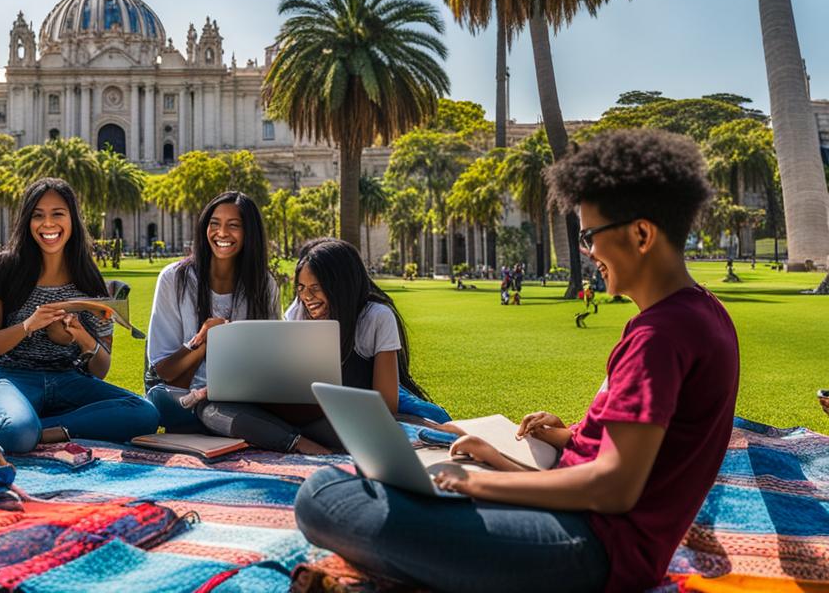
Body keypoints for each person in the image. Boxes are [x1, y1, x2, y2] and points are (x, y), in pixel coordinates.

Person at [295, 128, 738, 593]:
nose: (587, 251)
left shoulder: (660, 336)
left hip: (588, 551)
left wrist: (473, 485)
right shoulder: (699, 313)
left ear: (642, 233)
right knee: (377, 479)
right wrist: (535, 446)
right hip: (582, 529)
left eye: (590, 235)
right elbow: (626, 456)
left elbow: (612, 488)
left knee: (323, 493)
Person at [197, 238, 449, 454]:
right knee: (210, 408)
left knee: (420, 424)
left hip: (348, 420)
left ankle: (282, 437)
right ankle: (294, 440)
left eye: (316, 288)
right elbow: (282, 382)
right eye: (301, 288)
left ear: (340, 285)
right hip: (297, 417)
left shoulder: (375, 317)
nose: (306, 297)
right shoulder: (298, 312)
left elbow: (385, 407)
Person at [0, 177, 159, 452]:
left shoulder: (88, 277)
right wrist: (29, 324)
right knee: (16, 431)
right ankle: (18, 425)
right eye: (38, 215)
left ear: (72, 219)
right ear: (27, 221)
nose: (48, 224)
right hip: (11, 376)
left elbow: (100, 370)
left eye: (58, 214)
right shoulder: (2, 268)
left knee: (145, 413)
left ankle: (43, 429)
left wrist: (81, 337)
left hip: (69, 381)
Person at [144, 192, 278, 432]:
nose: (222, 233)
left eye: (234, 225)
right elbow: (164, 371)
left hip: (242, 398)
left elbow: (269, 365)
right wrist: (203, 341)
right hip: (180, 398)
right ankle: (291, 441)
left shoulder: (264, 284)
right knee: (197, 407)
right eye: (214, 224)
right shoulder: (174, 279)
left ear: (250, 233)